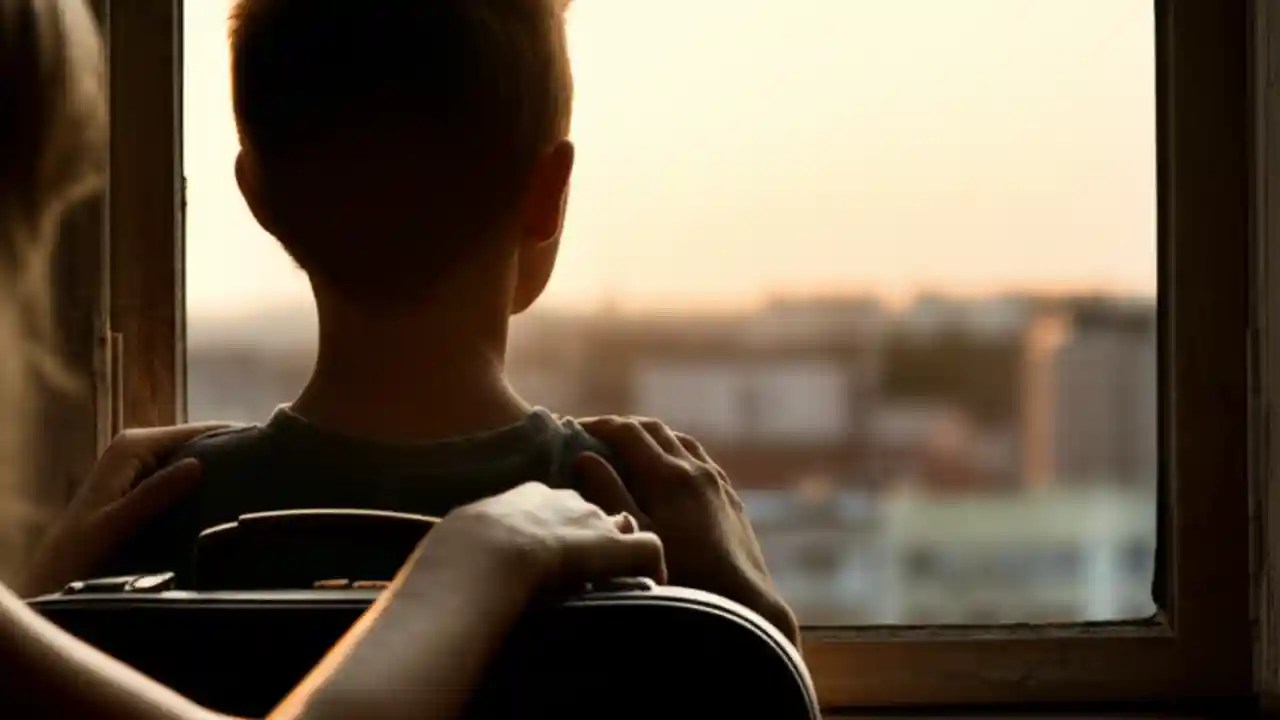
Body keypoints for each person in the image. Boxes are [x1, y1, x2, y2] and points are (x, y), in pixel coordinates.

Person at [0, 0, 797, 716]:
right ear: (549, 191)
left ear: (258, 195)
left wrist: (43, 609)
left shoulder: (151, 521)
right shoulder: (639, 519)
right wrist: (756, 633)